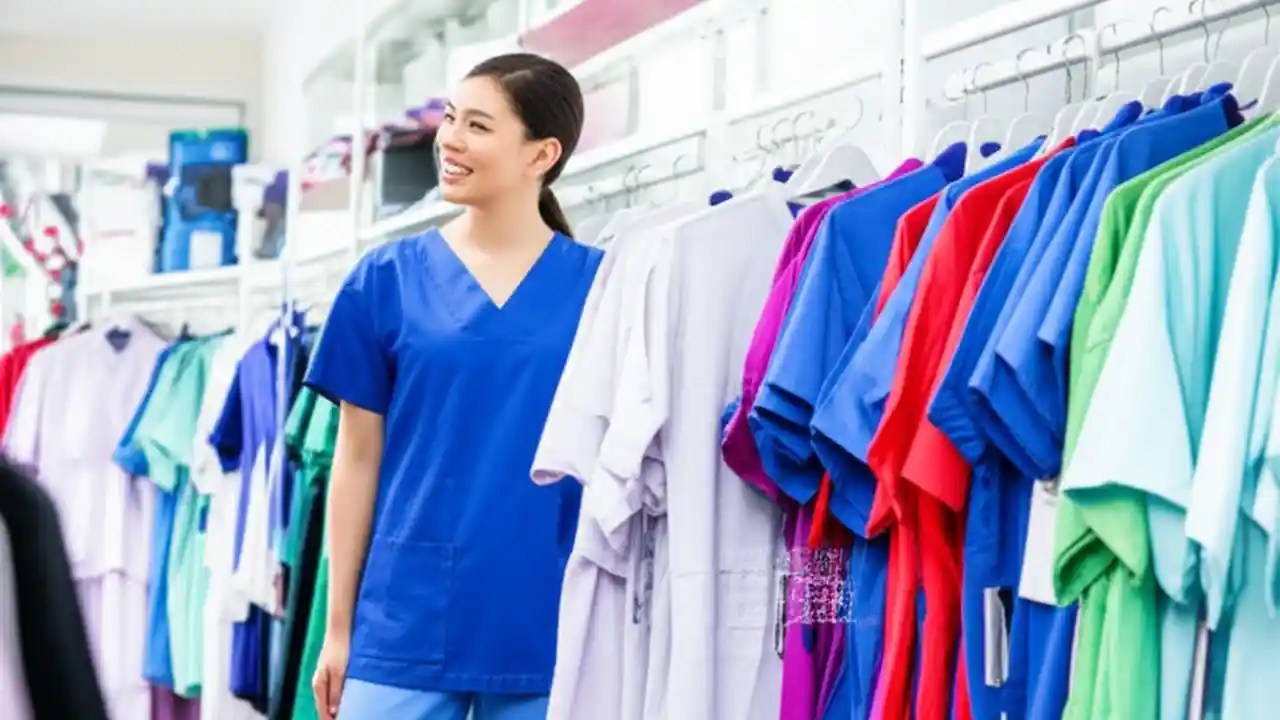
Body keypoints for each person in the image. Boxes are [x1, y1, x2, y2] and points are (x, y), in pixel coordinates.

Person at [305, 53, 601, 720]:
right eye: (448, 117)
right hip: (402, 620)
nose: (449, 139)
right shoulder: (383, 279)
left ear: (540, 154)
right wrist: (338, 629)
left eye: (477, 124)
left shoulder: (604, 287)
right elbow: (356, 462)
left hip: (547, 621)